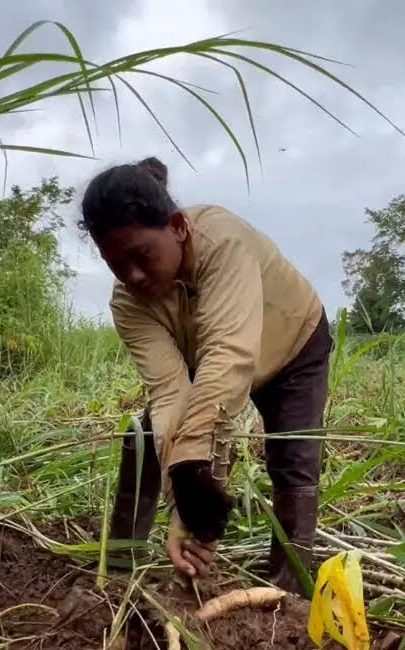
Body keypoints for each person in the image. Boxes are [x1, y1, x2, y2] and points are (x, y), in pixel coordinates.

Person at [79, 156, 333, 594]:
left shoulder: (222, 241)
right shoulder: (127, 303)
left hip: (291, 339)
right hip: (211, 355)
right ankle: (120, 571)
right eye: (116, 264)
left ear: (177, 226)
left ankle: (286, 594)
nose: (133, 276)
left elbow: (228, 356)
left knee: (293, 458)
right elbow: (170, 394)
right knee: (143, 442)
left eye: (141, 256)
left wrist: (195, 466)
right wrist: (188, 505)